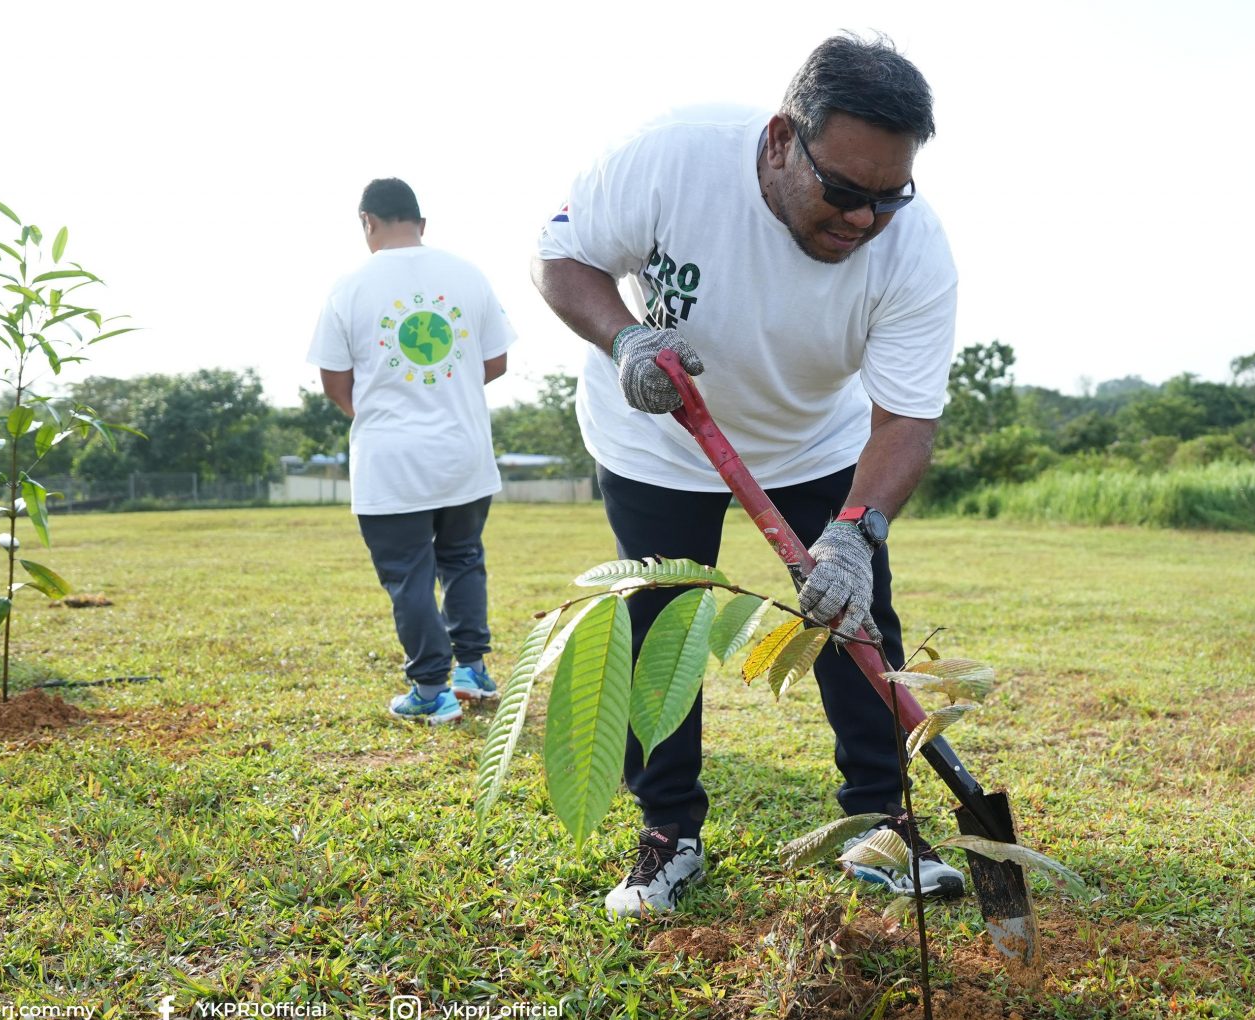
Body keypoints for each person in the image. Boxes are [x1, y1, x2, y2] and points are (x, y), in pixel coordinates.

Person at [532, 34, 965, 916]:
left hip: (812, 442)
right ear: (780, 140)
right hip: (658, 427)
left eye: (888, 198)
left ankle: (882, 821)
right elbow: (559, 258)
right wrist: (626, 338)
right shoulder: (672, 159)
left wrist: (856, 533)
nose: (861, 220)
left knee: (857, 616)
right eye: (842, 191)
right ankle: (669, 833)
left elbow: (908, 419)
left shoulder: (913, 250)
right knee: (665, 623)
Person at [309, 178, 516, 724]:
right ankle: (471, 669)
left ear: (366, 222)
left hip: (390, 459)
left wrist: (384, 414)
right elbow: (495, 362)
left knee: (408, 574)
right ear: (422, 223)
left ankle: (430, 691)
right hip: (464, 450)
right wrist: (446, 394)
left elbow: (334, 381)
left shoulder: (348, 286)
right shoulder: (467, 274)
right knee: (463, 558)